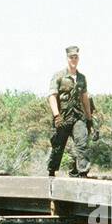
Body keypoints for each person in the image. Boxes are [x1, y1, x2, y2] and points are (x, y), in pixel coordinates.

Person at [47, 45, 94, 177]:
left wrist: (89, 118)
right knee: (58, 146)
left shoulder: (81, 78)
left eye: (76, 57)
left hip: (78, 116)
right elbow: (52, 96)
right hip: (63, 117)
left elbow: (85, 98)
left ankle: (82, 172)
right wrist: (56, 115)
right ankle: (52, 172)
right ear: (67, 58)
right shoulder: (59, 76)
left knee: (82, 143)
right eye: (71, 57)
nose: (74, 59)